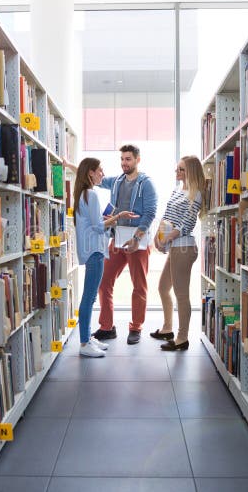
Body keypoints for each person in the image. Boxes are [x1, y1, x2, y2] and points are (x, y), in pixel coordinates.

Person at [65, 144, 157, 345]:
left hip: (137, 240)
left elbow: (150, 213)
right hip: (117, 238)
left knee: (138, 286)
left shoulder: (146, 183)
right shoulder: (116, 182)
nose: (124, 163)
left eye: (128, 159)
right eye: (122, 159)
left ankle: (136, 327)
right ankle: (107, 327)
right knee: (104, 281)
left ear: (137, 160)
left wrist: (136, 238)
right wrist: (69, 165)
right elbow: (89, 176)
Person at [73, 157, 139, 357]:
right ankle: (84, 343)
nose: (102, 173)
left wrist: (106, 218)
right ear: (90, 173)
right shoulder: (90, 195)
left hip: (90, 249)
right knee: (89, 298)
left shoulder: (83, 194)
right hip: (95, 251)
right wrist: (118, 217)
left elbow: (92, 222)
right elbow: (98, 227)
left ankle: (87, 338)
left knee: (91, 297)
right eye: (100, 170)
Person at [150, 156, 207, 351]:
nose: (177, 173)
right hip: (174, 247)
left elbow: (187, 224)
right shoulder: (176, 190)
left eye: (181, 169)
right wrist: (158, 237)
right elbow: (166, 217)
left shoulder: (196, 193)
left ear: (190, 171)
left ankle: (182, 338)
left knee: (181, 295)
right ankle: (167, 328)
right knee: (163, 287)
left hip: (184, 248)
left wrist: (168, 238)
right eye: (177, 169)